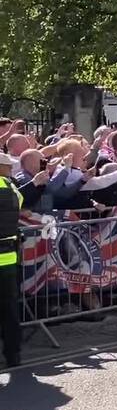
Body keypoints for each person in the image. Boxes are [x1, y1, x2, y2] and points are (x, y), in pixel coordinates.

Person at [0, 153, 21, 367]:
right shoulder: (12, 188)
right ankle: (13, 354)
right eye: (8, 166)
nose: (11, 170)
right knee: (9, 308)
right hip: (7, 255)